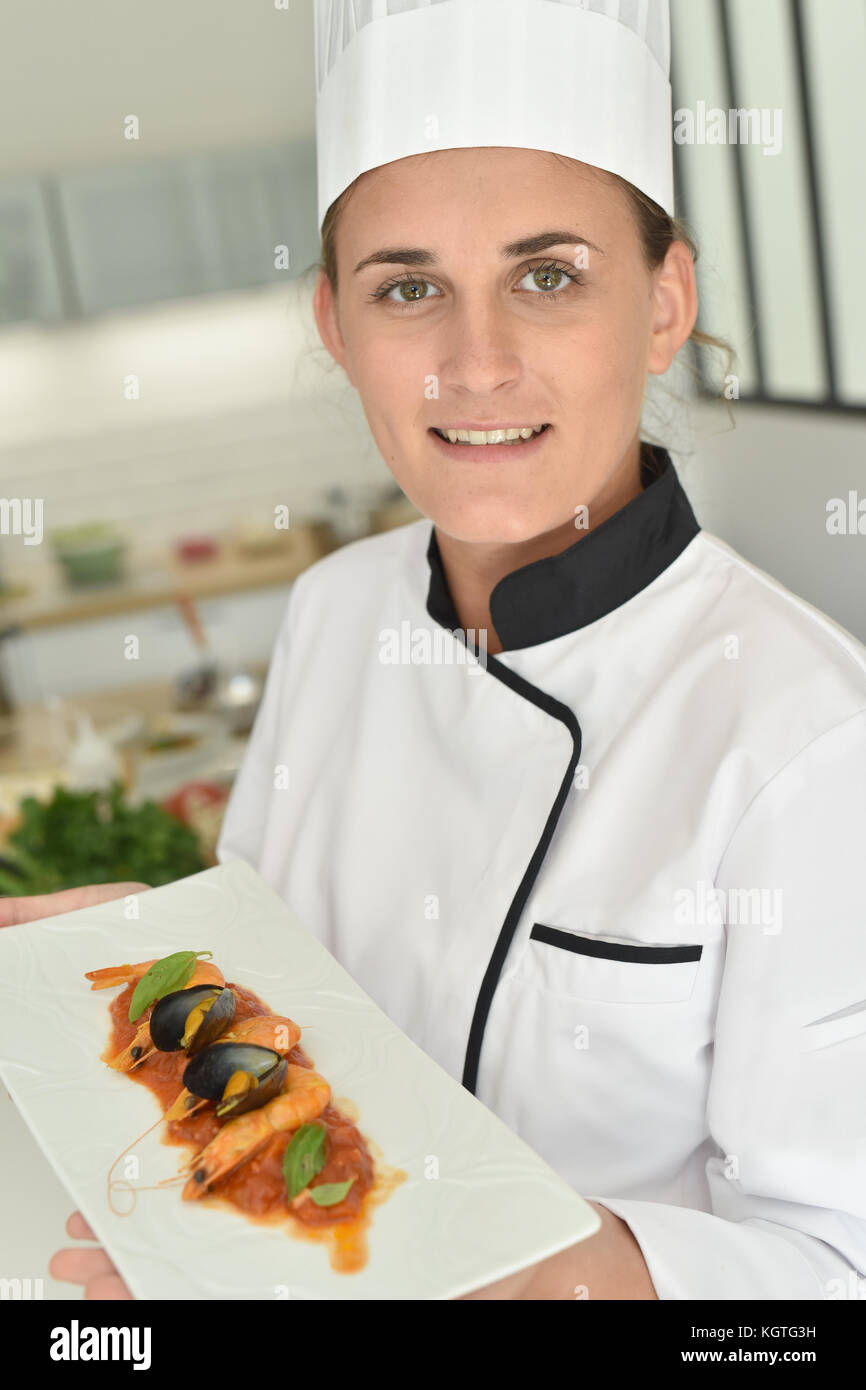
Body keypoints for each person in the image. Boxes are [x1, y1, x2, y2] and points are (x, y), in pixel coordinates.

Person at [6, 0, 866, 1300]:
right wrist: (161, 959)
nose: (475, 363)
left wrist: (540, 1275)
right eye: (408, 288)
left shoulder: (806, 740)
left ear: (663, 301)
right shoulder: (335, 607)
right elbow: (283, 990)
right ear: (337, 328)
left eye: (548, 275)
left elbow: (829, 1272)